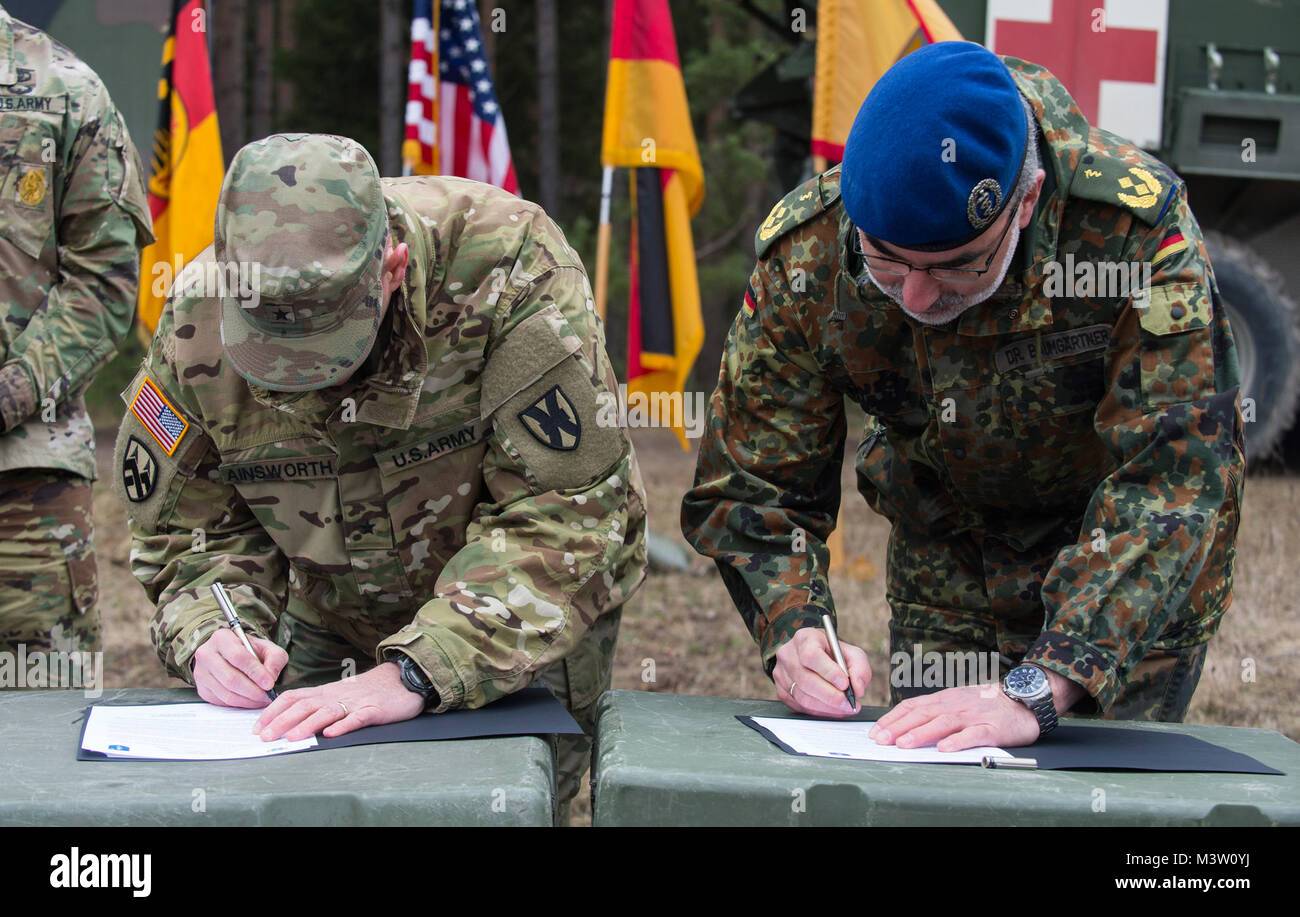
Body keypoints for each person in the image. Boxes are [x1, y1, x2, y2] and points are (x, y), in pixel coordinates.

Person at [682, 41, 1244, 751]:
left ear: (1026, 200)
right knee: (941, 784)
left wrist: (1047, 682)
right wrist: (793, 626)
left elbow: (1173, 480)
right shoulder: (812, 248)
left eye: (957, 265)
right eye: (886, 261)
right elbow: (755, 480)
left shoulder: (1131, 234)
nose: (916, 296)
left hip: (1118, 568)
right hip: (947, 558)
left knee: (1096, 805)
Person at [115, 133, 646, 812]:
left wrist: (422, 668)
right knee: (300, 805)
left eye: (325, 354)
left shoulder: (507, 266)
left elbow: (566, 511)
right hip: (335, 608)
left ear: (391, 269)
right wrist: (215, 627)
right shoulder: (197, 320)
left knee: (499, 806)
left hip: (519, 616)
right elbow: (188, 527)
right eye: (273, 356)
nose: (302, 385)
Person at [0, 4, 152, 672]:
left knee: (35, 743)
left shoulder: (63, 90)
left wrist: (8, 393)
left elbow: (105, 281)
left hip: (22, 484)